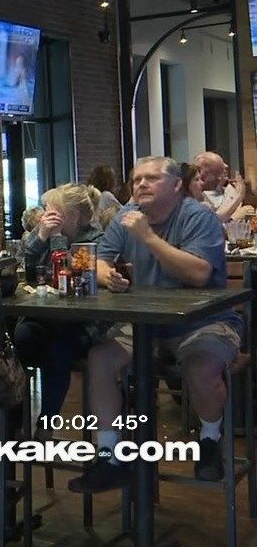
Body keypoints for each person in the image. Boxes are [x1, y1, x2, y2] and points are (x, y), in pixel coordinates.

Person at [69, 157, 241, 492]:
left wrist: (148, 238)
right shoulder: (125, 217)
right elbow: (99, 261)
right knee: (100, 360)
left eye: (151, 178)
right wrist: (109, 277)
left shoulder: (197, 216)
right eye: (136, 180)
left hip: (204, 320)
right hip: (145, 322)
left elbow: (199, 273)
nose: (141, 185)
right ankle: (110, 456)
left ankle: (209, 438)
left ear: (177, 185)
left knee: (201, 367)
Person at [13, 184, 104, 432]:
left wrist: (56, 240)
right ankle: (14, 422)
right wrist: (40, 236)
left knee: (58, 350)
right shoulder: (45, 234)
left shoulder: (96, 240)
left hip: (82, 322)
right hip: (46, 317)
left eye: (52, 211)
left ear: (73, 217)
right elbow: (25, 268)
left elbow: (71, 274)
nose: (45, 216)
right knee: (19, 338)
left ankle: (46, 422)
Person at [192, 151, 246, 223]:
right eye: (217, 174)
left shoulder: (204, 194)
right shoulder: (188, 195)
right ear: (201, 173)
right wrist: (240, 195)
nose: (220, 178)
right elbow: (213, 222)